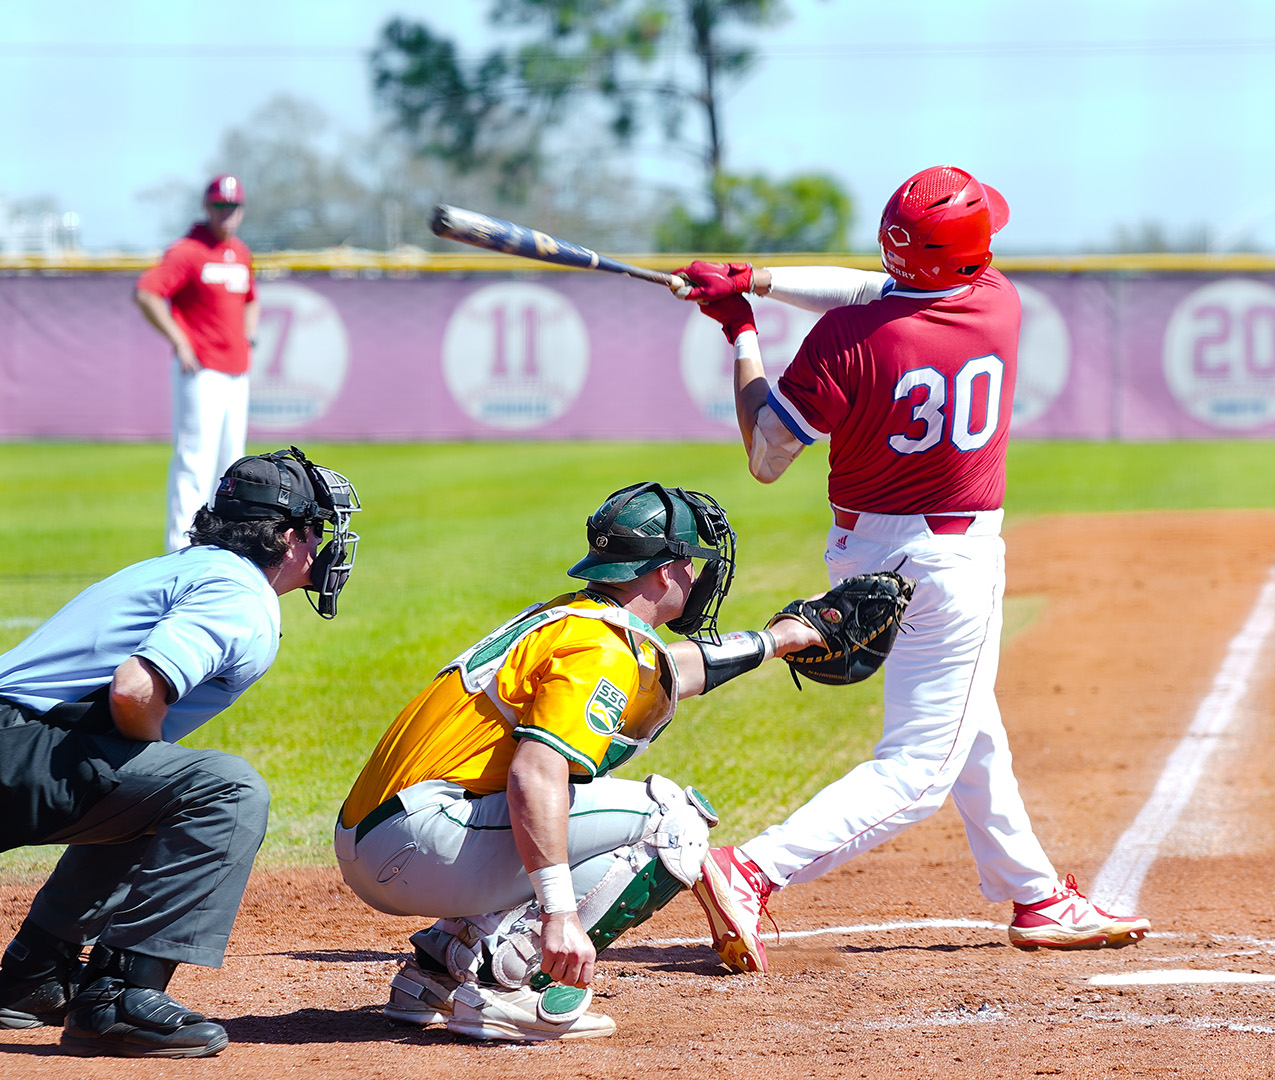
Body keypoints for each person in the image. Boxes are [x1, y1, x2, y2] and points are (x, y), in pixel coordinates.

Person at [671, 165, 1150, 975]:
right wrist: (758, 286)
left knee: (971, 724)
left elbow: (764, 454)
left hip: (859, 554)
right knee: (920, 769)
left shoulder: (842, 344)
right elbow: (887, 292)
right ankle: (753, 868)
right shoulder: (1000, 303)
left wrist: (743, 327)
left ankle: (1035, 895)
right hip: (951, 560)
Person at [334, 483, 825, 1042]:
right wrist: (560, 913)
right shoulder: (602, 649)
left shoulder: (575, 619)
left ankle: (434, 973)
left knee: (573, 801)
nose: (697, 576)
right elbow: (534, 774)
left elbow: (668, 669)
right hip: (421, 841)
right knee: (671, 823)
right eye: (690, 562)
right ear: (664, 571)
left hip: (387, 836)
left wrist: (781, 640)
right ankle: (506, 984)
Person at [0, 447, 362, 1058]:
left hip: (22, 747)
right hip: (21, 750)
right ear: (291, 537)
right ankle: (120, 998)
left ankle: (35, 974)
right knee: (225, 789)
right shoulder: (240, 593)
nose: (323, 549)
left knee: (158, 785)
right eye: (317, 532)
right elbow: (135, 689)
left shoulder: (179, 568)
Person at [135, 174, 258, 553]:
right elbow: (148, 293)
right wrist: (179, 340)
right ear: (207, 207)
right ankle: (179, 551)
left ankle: (221, 549)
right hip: (201, 370)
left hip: (236, 371)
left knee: (231, 465)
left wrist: (248, 339)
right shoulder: (188, 250)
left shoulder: (240, 253)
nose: (227, 212)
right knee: (194, 461)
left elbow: (250, 299)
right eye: (220, 205)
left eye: (233, 205)